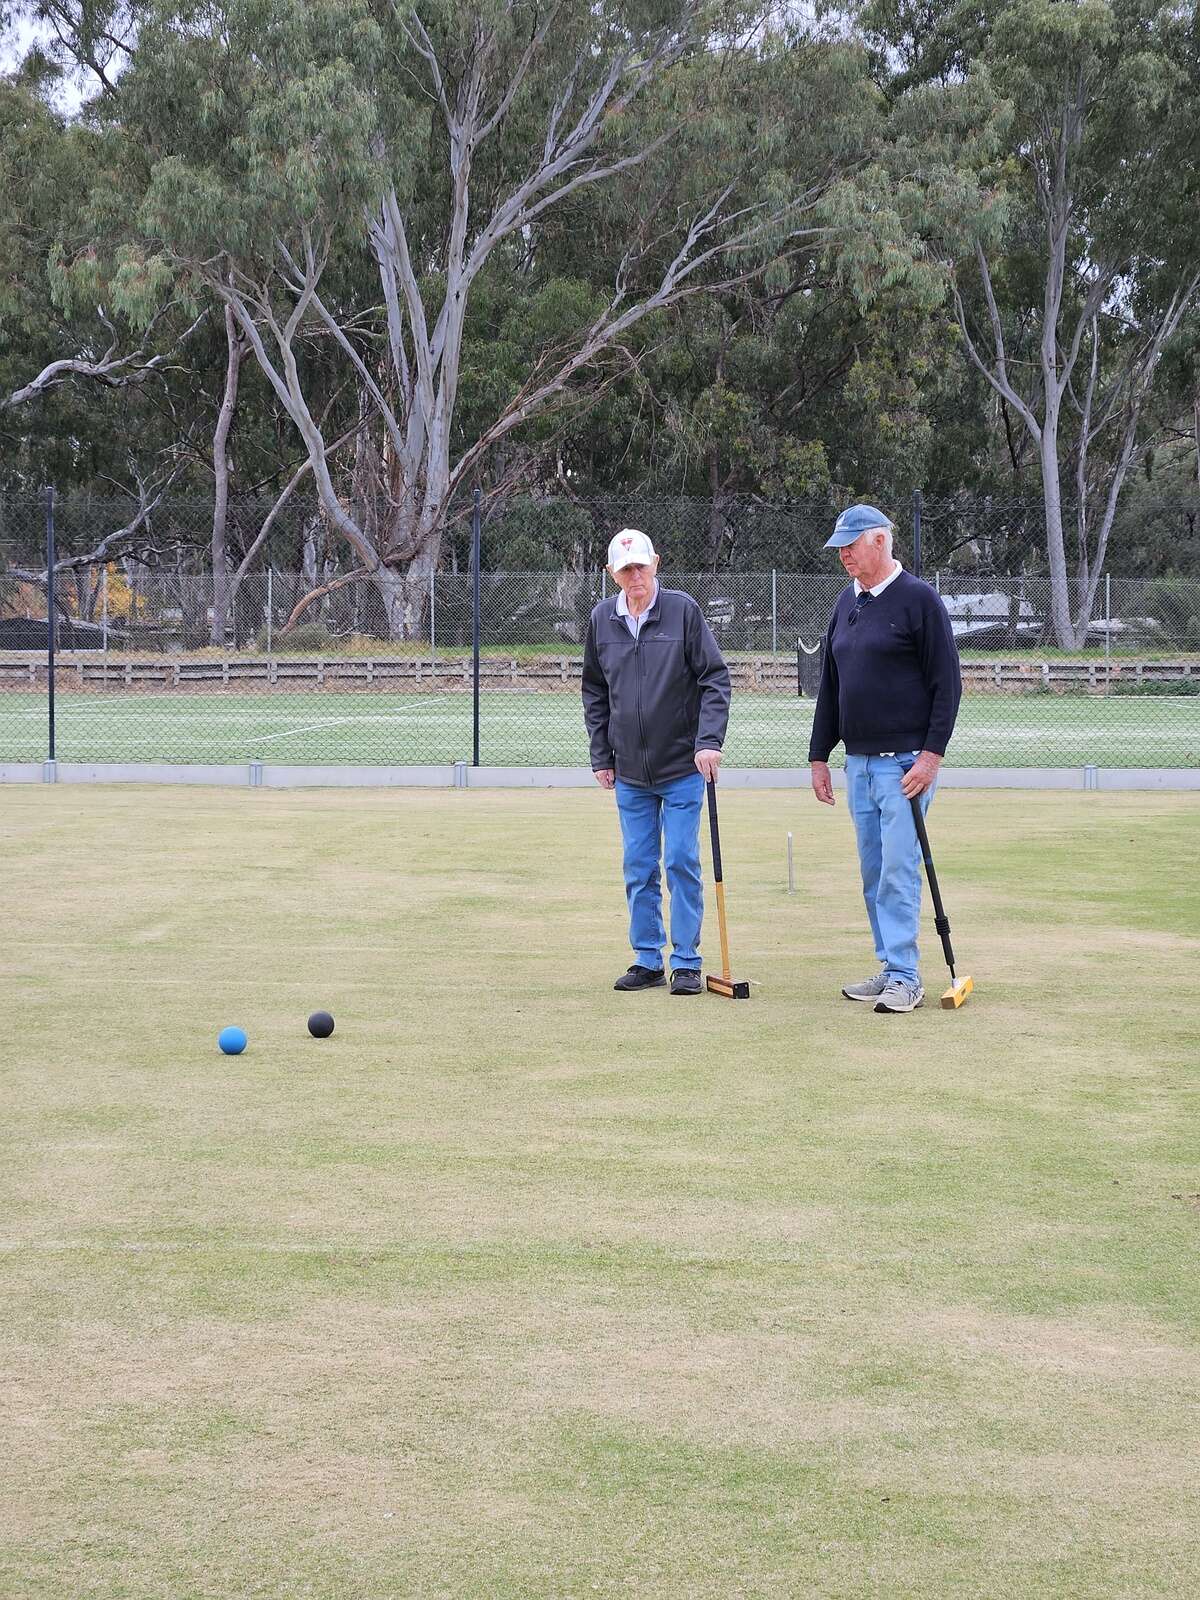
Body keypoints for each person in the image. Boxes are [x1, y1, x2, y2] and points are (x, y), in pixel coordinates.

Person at [808, 503, 962, 1013]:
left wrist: (931, 756)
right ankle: (890, 965)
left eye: (851, 545)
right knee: (874, 870)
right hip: (860, 763)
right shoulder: (846, 603)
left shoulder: (920, 601)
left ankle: (905, 977)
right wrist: (819, 756)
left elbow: (948, 685)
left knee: (898, 869)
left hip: (905, 766)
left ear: (880, 541)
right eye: (840, 548)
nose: (844, 555)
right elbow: (831, 684)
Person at [583, 529, 731, 995]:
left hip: (683, 767)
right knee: (638, 866)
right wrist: (601, 754)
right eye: (625, 570)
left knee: (682, 861)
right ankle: (648, 958)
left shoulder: (683, 611)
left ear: (655, 565)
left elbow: (714, 678)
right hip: (629, 771)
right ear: (612, 574)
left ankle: (686, 960)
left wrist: (708, 741)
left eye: (641, 567)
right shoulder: (601, 620)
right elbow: (595, 692)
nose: (635, 577)